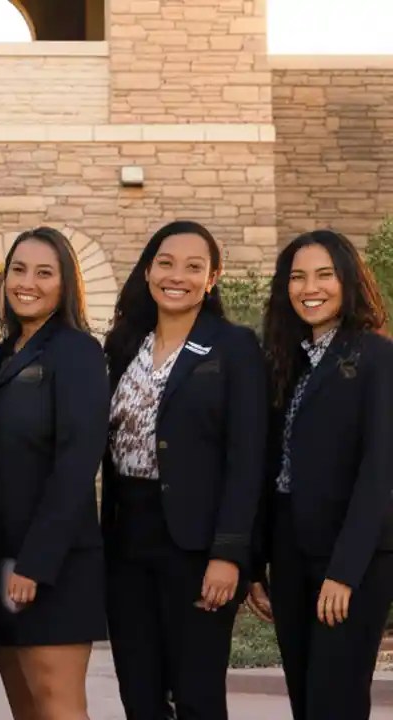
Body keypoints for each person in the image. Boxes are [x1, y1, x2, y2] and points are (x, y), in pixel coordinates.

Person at [100, 220, 267, 720]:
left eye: (194, 267)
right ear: (148, 270)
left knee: (197, 697)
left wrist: (229, 555)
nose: (178, 276)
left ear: (212, 278)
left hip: (196, 545)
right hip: (127, 540)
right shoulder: (123, 344)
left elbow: (248, 458)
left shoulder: (234, 347)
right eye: (166, 263)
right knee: (140, 695)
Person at [246, 230, 393, 720]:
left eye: (324, 275)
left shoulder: (377, 357)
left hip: (352, 557)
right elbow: (267, 467)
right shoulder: (284, 361)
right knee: (306, 702)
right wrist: (256, 564)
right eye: (298, 277)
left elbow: (379, 472)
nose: (310, 288)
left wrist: (344, 572)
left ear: (348, 281)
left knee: (336, 703)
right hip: (290, 552)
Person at [0, 227, 109, 720]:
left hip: (53, 562)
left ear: (65, 283)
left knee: (57, 704)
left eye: (44, 272)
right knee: (26, 707)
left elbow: (77, 463)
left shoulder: (77, 351)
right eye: (18, 270)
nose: (27, 283)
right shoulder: (3, 355)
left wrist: (36, 563)